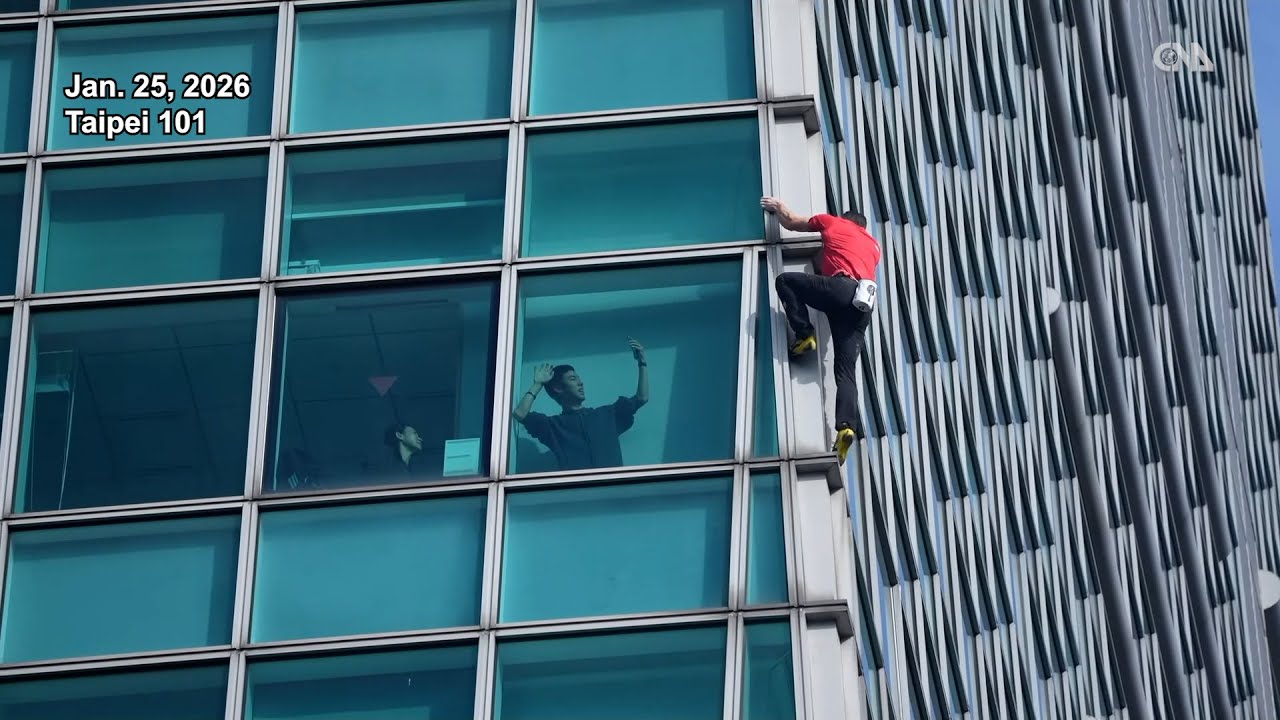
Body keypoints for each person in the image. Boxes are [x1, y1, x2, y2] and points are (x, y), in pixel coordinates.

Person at [760, 196, 882, 465]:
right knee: (845, 371)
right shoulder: (874, 246)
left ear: (845, 219)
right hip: (862, 305)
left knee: (786, 281)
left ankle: (804, 335)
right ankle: (846, 427)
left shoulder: (832, 222)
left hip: (840, 289)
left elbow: (792, 222)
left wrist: (778, 206)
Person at [512, 338, 649, 471]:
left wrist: (642, 363)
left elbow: (641, 398)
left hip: (613, 490)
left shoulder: (607, 415)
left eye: (579, 379)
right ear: (558, 388)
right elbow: (520, 413)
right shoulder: (553, 427)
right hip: (578, 492)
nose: (580, 383)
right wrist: (538, 384)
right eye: (573, 379)